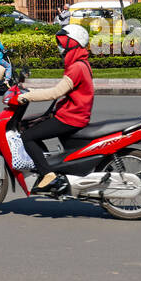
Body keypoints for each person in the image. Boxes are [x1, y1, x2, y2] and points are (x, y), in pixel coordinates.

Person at [19, 24, 94, 196]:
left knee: (28, 136)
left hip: (71, 117)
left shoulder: (77, 67)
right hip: (72, 113)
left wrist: (28, 96)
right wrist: (31, 91)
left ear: (73, 43)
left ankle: (47, 173)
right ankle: (48, 166)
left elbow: (56, 92)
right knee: (30, 125)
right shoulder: (80, 63)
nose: (60, 47)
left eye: (63, 42)